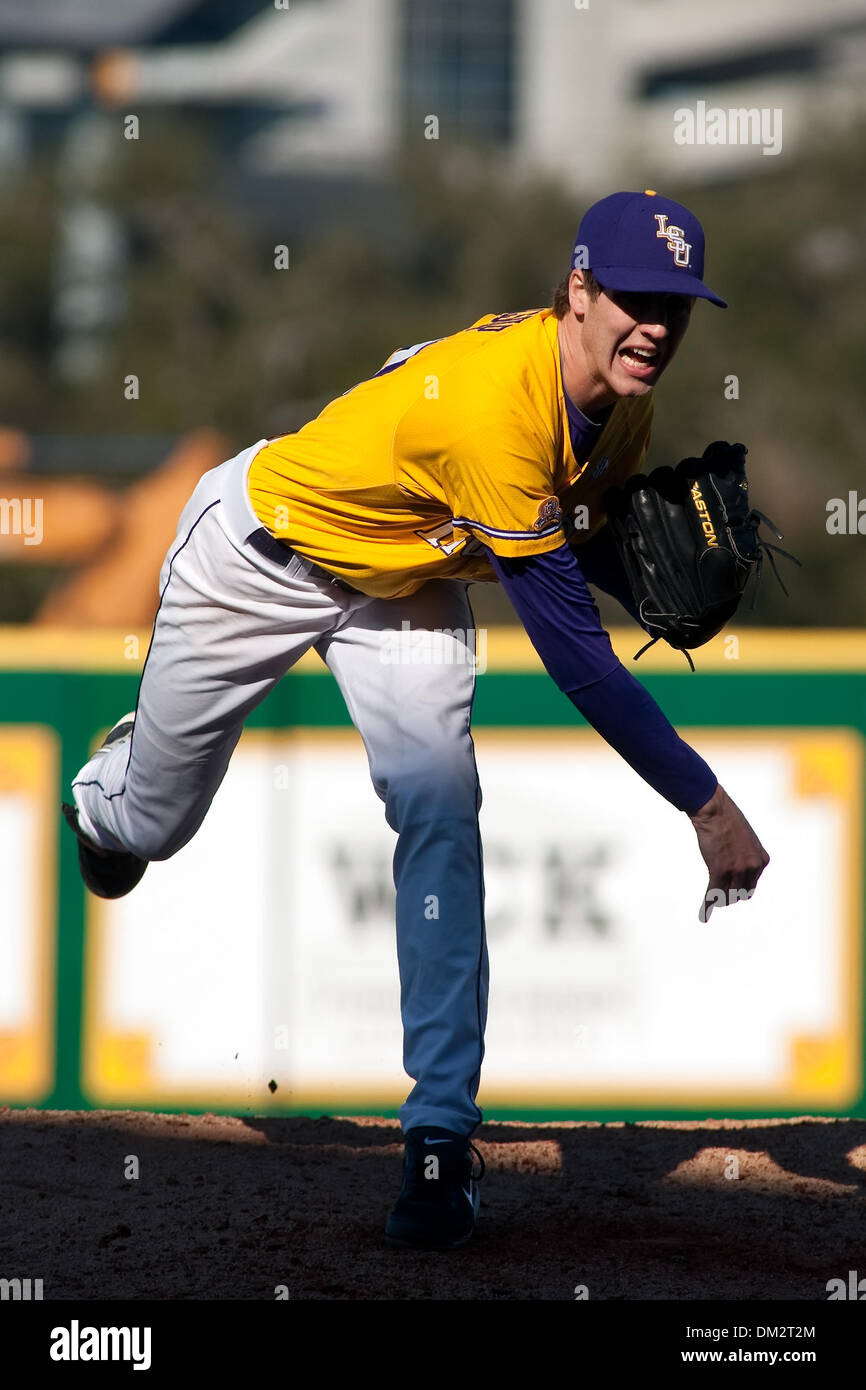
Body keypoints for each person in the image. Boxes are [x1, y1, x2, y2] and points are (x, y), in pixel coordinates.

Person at [62, 189, 769, 1251]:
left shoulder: (627, 408)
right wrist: (702, 801)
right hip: (260, 551)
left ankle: (437, 1142)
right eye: (633, 297)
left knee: (441, 813)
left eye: (675, 305)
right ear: (575, 291)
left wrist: (634, 566)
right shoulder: (493, 405)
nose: (656, 326)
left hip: (407, 580)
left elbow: (568, 536)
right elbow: (575, 659)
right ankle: (105, 791)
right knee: (148, 830)